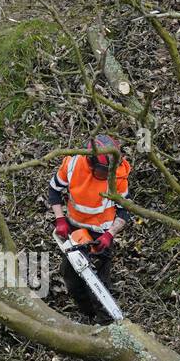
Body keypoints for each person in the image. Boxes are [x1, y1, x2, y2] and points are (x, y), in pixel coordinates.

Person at [46, 134, 131, 321]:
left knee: (99, 284)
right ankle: (88, 314)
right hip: (74, 229)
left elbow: (125, 211)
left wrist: (110, 234)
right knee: (71, 278)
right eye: (102, 171)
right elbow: (54, 190)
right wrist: (60, 220)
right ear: (90, 162)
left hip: (102, 232)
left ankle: (107, 322)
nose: (106, 175)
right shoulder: (73, 165)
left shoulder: (118, 173)